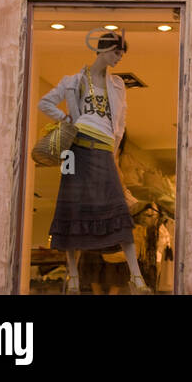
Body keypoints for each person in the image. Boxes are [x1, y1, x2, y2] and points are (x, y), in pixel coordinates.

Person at [38, 30, 152, 296]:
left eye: (121, 53)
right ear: (103, 50)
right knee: (71, 211)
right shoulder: (74, 80)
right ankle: (74, 277)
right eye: (116, 52)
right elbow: (45, 103)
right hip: (76, 150)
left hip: (103, 151)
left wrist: (114, 151)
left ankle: (136, 277)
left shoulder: (118, 85)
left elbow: (120, 123)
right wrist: (67, 121)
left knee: (119, 212)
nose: (119, 58)